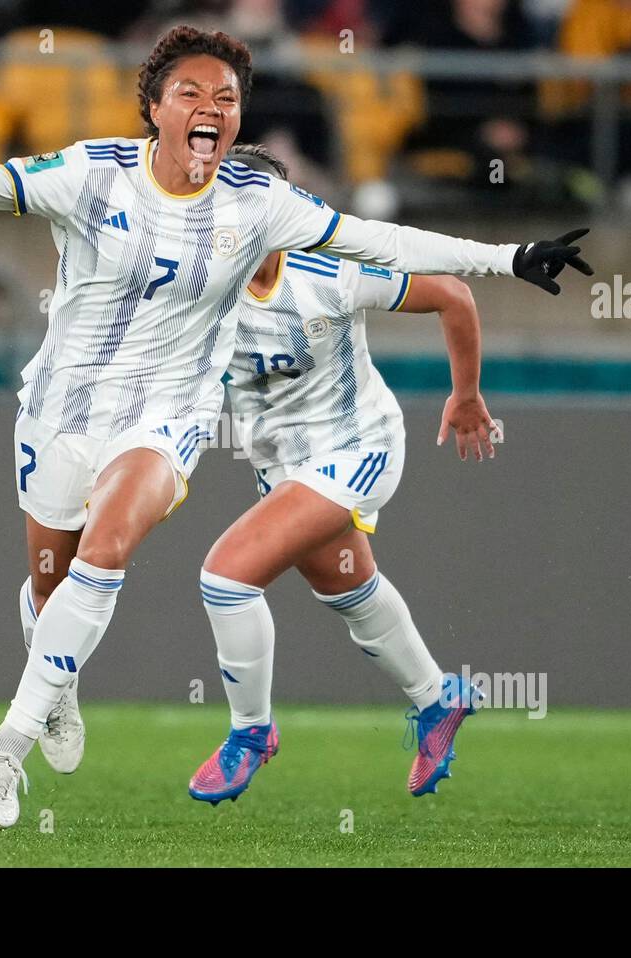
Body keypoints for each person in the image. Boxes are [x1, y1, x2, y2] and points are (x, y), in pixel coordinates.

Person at [0, 24, 592, 830]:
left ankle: (14, 751)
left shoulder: (275, 223)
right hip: (69, 409)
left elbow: (387, 244)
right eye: (192, 95)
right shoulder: (96, 175)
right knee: (69, 581)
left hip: (213, 424)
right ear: (154, 108)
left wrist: (509, 255)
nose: (211, 110)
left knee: (158, 562)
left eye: (228, 99)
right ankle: (426, 696)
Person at [188, 143, 496, 804]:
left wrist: (465, 395)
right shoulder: (196, 286)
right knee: (348, 589)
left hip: (360, 448)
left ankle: (251, 734)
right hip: (284, 464)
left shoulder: (332, 267)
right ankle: (438, 699)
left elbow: (454, 295)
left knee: (226, 577)